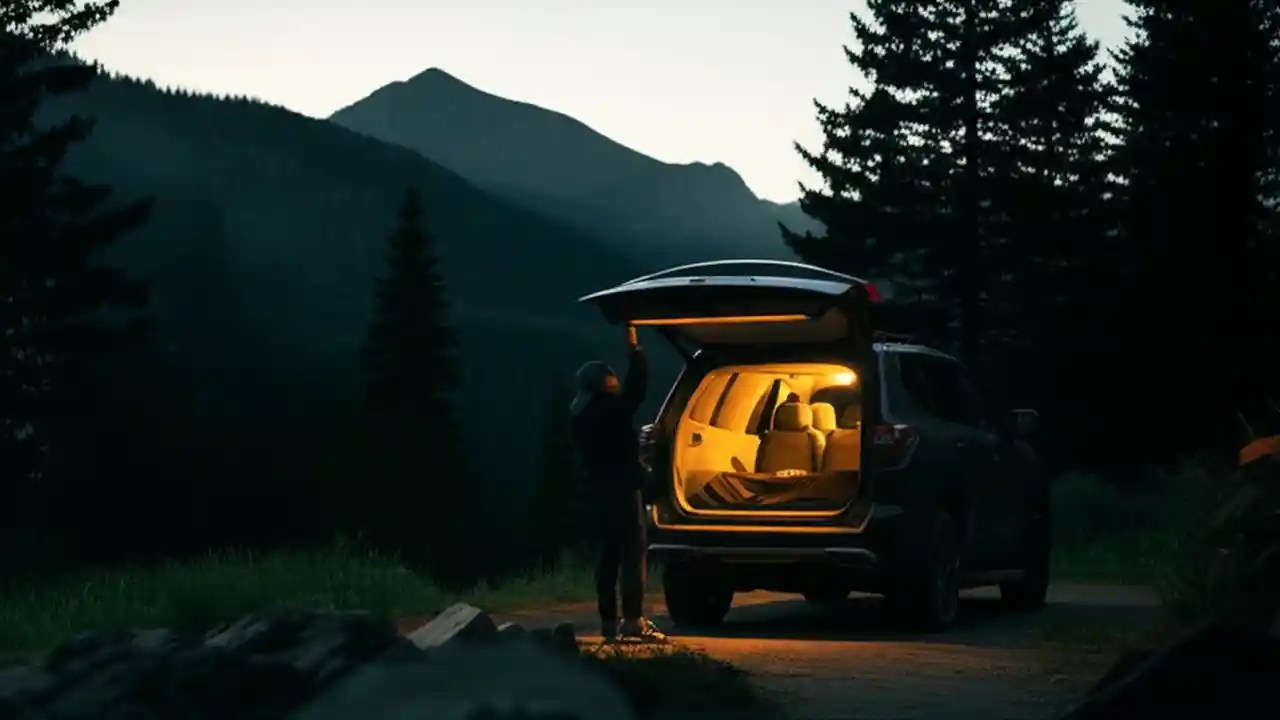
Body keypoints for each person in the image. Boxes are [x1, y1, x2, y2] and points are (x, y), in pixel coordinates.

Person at [570, 326, 667, 643]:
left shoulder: (582, 417)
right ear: (606, 384)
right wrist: (635, 349)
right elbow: (637, 388)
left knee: (607, 556)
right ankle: (633, 620)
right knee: (632, 553)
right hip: (624, 492)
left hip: (598, 493)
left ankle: (609, 623)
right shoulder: (613, 410)